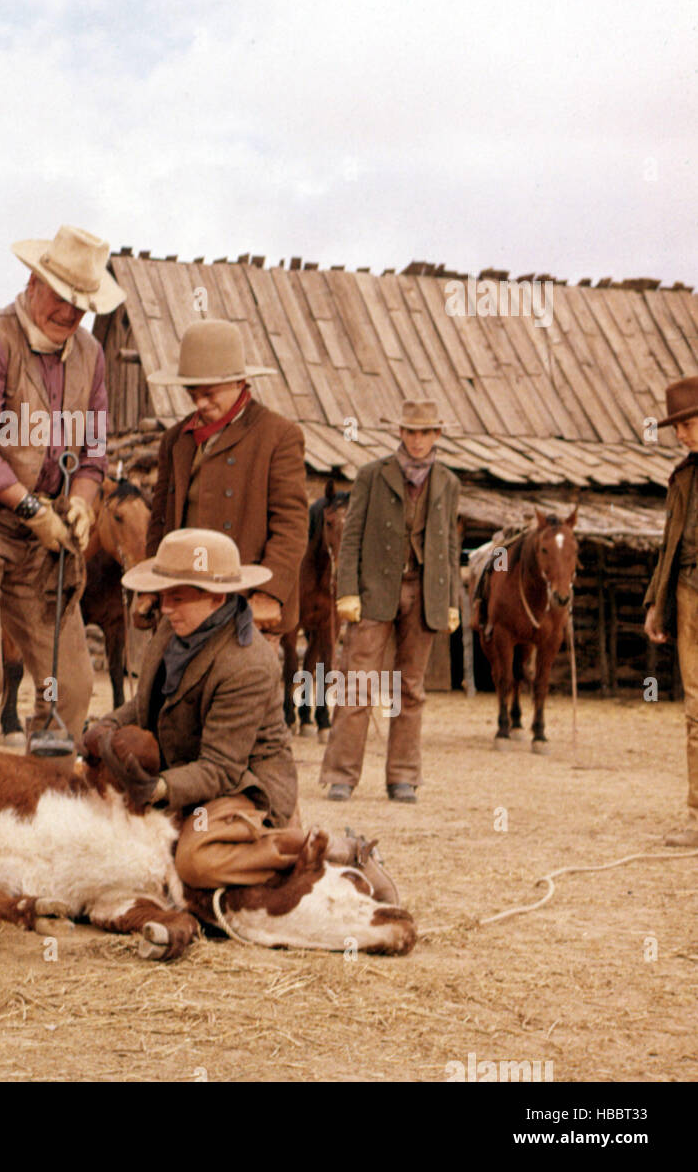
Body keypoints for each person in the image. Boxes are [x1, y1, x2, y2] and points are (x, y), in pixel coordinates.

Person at [84, 529, 392, 893]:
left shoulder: (246, 664)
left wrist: (158, 788)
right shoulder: (174, 627)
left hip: (244, 786)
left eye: (177, 597)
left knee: (195, 862)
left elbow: (220, 769)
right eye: (164, 595)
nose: (165, 608)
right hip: (189, 770)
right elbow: (146, 702)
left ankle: (327, 851)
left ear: (215, 598)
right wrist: (101, 729)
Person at [0, 225, 121, 754]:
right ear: (34, 281)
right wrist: (33, 508)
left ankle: (41, 808)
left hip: (42, 533)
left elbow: (95, 448)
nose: (70, 315)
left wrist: (81, 500)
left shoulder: (91, 356)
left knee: (73, 685)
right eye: (60, 299)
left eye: (82, 307)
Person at [320, 399, 461, 803]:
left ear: (437, 435)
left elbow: (449, 545)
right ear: (400, 433)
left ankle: (402, 777)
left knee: (410, 688)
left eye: (426, 432)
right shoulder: (371, 475)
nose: (417, 440)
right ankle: (341, 776)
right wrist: (346, 590)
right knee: (358, 683)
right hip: (375, 591)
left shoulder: (449, 483)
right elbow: (350, 537)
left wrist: (451, 598)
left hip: (425, 592)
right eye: (411, 432)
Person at [140, 319, 308, 658]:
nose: (200, 404)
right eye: (192, 394)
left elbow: (290, 525)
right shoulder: (176, 440)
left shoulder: (278, 435)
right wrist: (150, 588)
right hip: (184, 600)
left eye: (209, 394)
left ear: (239, 382)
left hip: (245, 602)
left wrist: (269, 594)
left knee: (241, 702)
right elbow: (160, 523)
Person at [643, 375, 698, 848]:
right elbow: (669, 547)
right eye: (677, 427)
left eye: (685, 425)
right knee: (696, 711)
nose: (679, 435)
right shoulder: (681, 476)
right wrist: (655, 606)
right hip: (687, 594)